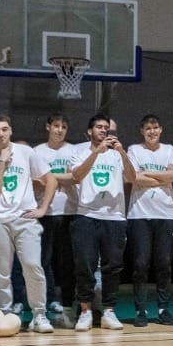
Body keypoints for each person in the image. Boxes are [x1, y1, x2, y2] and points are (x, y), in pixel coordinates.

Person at [0, 114, 55, 333]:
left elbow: (51, 179)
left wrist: (42, 208)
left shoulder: (27, 152)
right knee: (0, 272)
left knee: (32, 266)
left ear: (10, 130)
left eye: (4, 129)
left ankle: (40, 315)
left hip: (24, 219)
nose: (1, 133)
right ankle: (5, 316)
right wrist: (2, 161)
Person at [68, 114, 133, 331]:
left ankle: (109, 311)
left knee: (113, 266)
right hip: (86, 215)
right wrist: (96, 152)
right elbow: (77, 176)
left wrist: (122, 153)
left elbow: (133, 178)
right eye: (98, 127)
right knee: (85, 264)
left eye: (106, 127)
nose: (103, 130)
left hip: (114, 216)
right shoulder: (78, 151)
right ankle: (85, 311)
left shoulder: (117, 155)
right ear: (89, 131)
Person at [125, 115, 173, 326]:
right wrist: (161, 175)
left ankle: (163, 309)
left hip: (167, 215)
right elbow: (133, 177)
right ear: (142, 131)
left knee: (164, 264)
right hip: (140, 214)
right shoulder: (134, 150)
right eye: (148, 128)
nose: (152, 131)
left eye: (155, 127)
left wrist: (147, 173)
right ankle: (141, 310)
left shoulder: (169, 150)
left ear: (161, 129)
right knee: (140, 264)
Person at [33, 113, 79, 328]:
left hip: (69, 211)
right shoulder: (37, 152)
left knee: (67, 263)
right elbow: (33, 180)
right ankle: (44, 304)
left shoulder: (74, 150)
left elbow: (75, 177)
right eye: (56, 126)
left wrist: (49, 178)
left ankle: (67, 305)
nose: (60, 130)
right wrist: (59, 178)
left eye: (64, 126)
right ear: (48, 127)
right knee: (43, 262)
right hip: (46, 212)